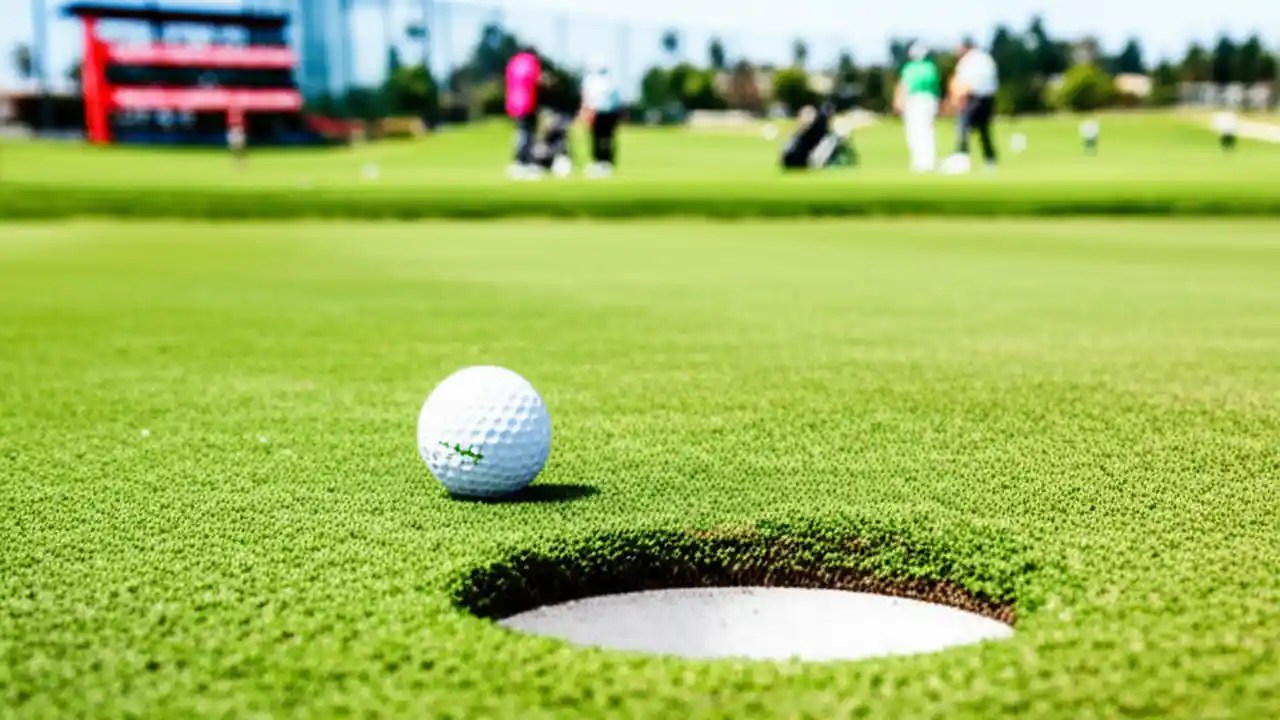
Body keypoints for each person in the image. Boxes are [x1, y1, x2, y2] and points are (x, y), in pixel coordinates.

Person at [946, 39, 999, 173]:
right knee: (984, 130)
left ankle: (962, 159)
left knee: (963, 127)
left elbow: (963, 84)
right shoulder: (986, 58)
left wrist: (956, 100)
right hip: (988, 98)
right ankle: (990, 161)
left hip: (973, 97)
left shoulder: (967, 61)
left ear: (965, 48)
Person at [894, 43, 941, 172]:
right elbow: (936, 87)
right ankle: (929, 161)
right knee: (928, 130)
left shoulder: (910, 68)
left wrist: (899, 101)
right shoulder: (931, 67)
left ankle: (920, 162)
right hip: (930, 101)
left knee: (914, 131)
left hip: (914, 100)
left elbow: (904, 85)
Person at [580, 57, 623, 178]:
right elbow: (617, 101)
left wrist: (585, 113)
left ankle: (600, 162)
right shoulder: (612, 81)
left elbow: (587, 99)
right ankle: (605, 162)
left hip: (598, 113)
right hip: (607, 114)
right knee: (605, 139)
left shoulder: (591, 81)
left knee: (599, 139)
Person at [505, 47, 543, 179]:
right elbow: (537, 81)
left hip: (514, 102)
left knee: (522, 132)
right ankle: (522, 162)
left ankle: (522, 161)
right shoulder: (532, 62)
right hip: (528, 103)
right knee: (527, 134)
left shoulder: (514, 62)